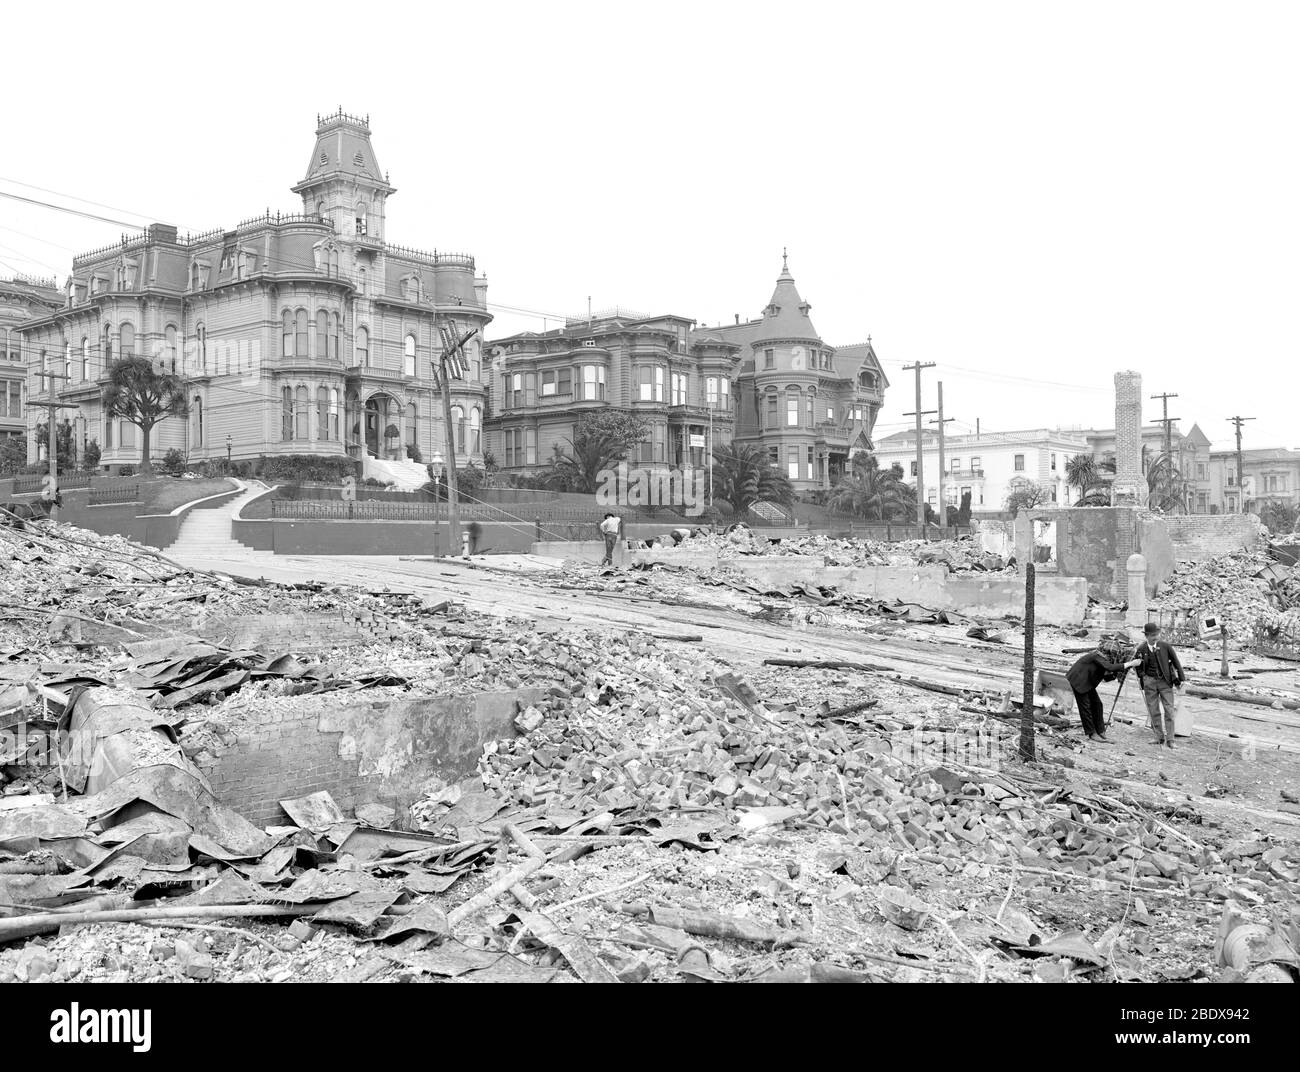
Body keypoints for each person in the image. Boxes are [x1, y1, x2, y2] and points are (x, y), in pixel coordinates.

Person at [1066, 644, 1142, 743]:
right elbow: (1110, 667)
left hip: (1087, 681)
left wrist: (1119, 672)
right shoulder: (1097, 655)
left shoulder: (1104, 658)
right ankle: (1092, 733)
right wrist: (1130, 663)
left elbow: (1107, 676)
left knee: (1097, 704)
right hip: (1078, 680)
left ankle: (1100, 731)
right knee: (1085, 707)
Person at [1136, 622, 1185, 748]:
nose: (1156, 637)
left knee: (1169, 710)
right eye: (1152, 635)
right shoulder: (1141, 648)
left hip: (1165, 682)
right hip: (1149, 683)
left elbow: (1176, 662)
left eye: (1157, 634)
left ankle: (1171, 740)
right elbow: (1138, 666)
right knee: (1154, 711)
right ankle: (1158, 737)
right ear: (1146, 636)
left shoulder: (1165, 646)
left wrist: (1181, 679)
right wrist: (1143, 676)